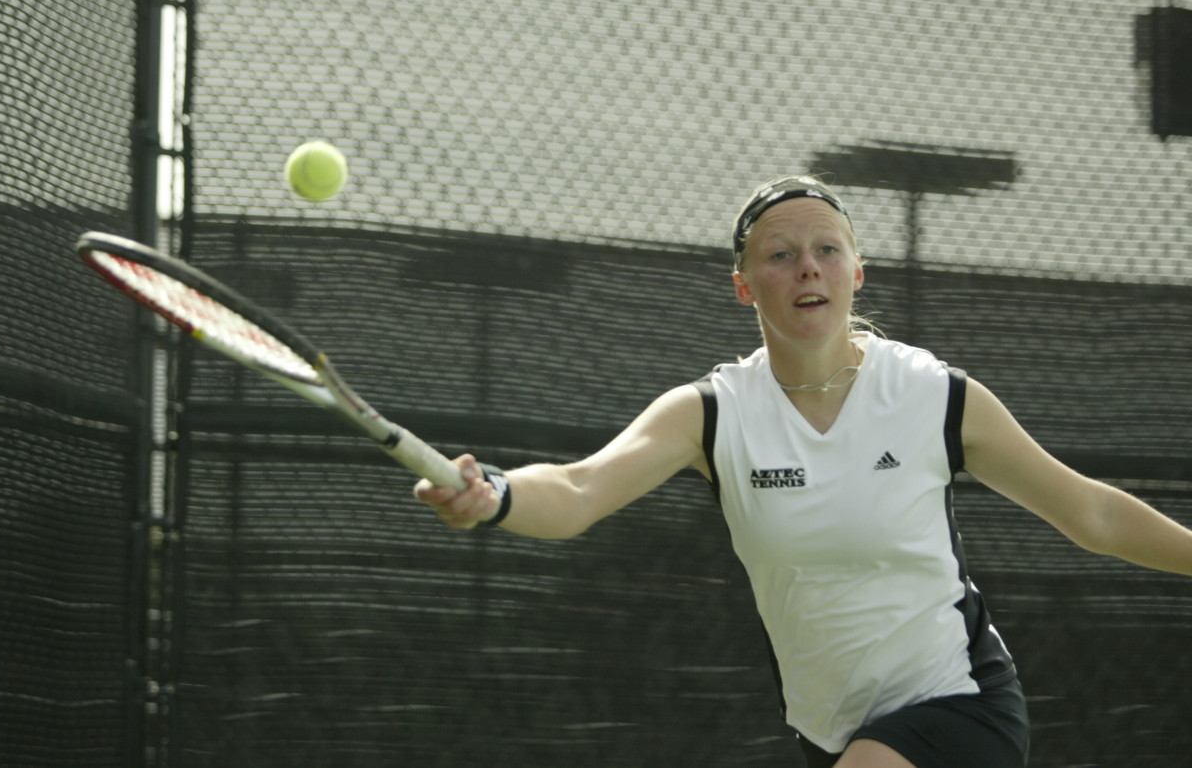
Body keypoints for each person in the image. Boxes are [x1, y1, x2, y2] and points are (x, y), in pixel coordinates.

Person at [414, 175, 1192, 768]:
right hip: (828, 733)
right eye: (781, 256)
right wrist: (498, 497)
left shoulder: (933, 395)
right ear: (745, 286)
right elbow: (582, 490)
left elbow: (1090, 515)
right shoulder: (713, 412)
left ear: (859, 272)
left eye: (826, 250)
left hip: (960, 706)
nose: (807, 268)